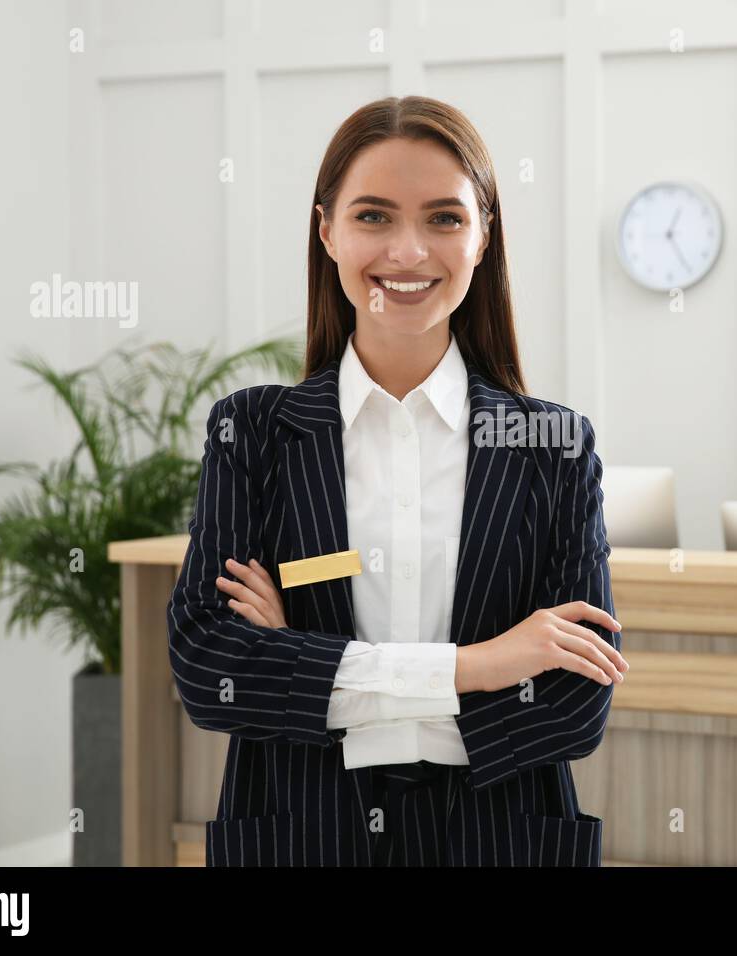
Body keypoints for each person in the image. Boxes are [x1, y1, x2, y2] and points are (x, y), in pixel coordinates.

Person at [167, 96, 628, 866]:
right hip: (301, 835)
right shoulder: (250, 432)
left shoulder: (554, 445)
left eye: (444, 218)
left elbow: (575, 708)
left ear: (484, 236)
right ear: (327, 231)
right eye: (374, 216)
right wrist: (480, 666)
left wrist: (306, 668)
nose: (408, 252)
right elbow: (211, 668)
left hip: (499, 841)